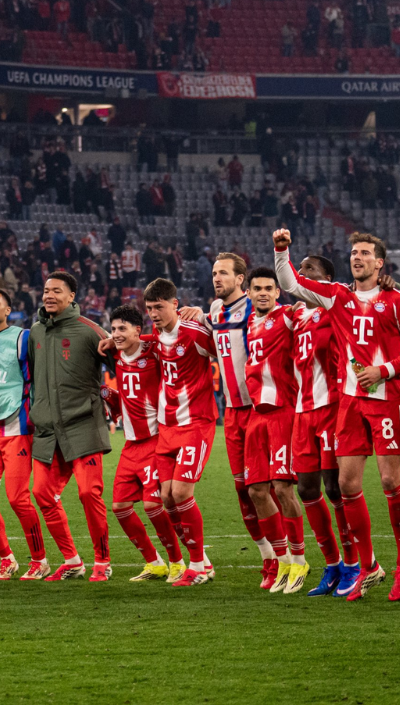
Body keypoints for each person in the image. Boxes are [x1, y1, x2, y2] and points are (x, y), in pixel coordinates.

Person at [274, 228, 400, 602]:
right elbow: (290, 281)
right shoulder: (337, 296)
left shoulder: (397, 299)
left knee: (389, 482)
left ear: (379, 262)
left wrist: (384, 370)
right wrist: (282, 250)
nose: (357, 257)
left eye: (364, 253)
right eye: (353, 252)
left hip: (385, 398)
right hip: (349, 403)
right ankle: (370, 566)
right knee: (348, 485)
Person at [28, 270, 115, 582]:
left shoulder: (91, 331)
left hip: (83, 425)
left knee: (89, 493)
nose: (49, 295)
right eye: (46, 290)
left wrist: (115, 399)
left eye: (57, 291)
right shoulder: (35, 332)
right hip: (48, 430)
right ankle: (72, 560)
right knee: (40, 493)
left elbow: (123, 361)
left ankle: (102, 561)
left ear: (72, 296)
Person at [140, 275, 219, 586]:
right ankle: (202, 561)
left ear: (175, 304)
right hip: (167, 426)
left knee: (182, 492)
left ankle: (198, 565)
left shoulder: (194, 332)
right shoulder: (157, 337)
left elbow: (225, 348)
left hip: (196, 423)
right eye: (149, 308)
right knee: (167, 498)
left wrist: (206, 316)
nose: (154, 314)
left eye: (159, 307)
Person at [288, 254, 356, 596]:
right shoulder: (295, 315)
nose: (302, 275)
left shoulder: (336, 306)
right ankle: (330, 566)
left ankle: (353, 563)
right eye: (299, 270)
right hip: (302, 412)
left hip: (331, 406)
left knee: (335, 488)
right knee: (306, 489)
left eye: (309, 269)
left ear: (327, 278)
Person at [240, 266, 310, 593]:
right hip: (257, 416)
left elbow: (307, 314)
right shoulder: (252, 324)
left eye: (270, 287)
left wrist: (303, 309)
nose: (264, 292)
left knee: (283, 488)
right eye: (258, 288)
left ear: (277, 291)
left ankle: (299, 560)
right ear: (250, 293)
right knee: (256, 491)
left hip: (284, 412)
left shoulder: (286, 315)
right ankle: (281, 559)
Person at [103, 305, 185, 581]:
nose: (116, 334)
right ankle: (154, 562)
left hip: (155, 440)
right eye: (113, 329)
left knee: (153, 506)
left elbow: (166, 337)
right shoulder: (115, 355)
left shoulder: (153, 351)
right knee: (120, 507)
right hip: (130, 445)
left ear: (138, 330)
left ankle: (178, 562)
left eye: (122, 329)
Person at [0, 287, 47, 580]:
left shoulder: (22, 337)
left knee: (18, 499)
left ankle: (39, 560)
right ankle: (7, 558)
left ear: (8, 310)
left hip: (16, 427)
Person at [204, 251, 270, 576]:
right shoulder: (215, 310)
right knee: (242, 491)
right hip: (230, 414)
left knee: (266, 490)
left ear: (240, 279)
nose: (216, 278)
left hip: (258, 411)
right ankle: (268, 556)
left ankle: (289, 558)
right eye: (214, 273)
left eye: (223, 273)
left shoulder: (256, 308)